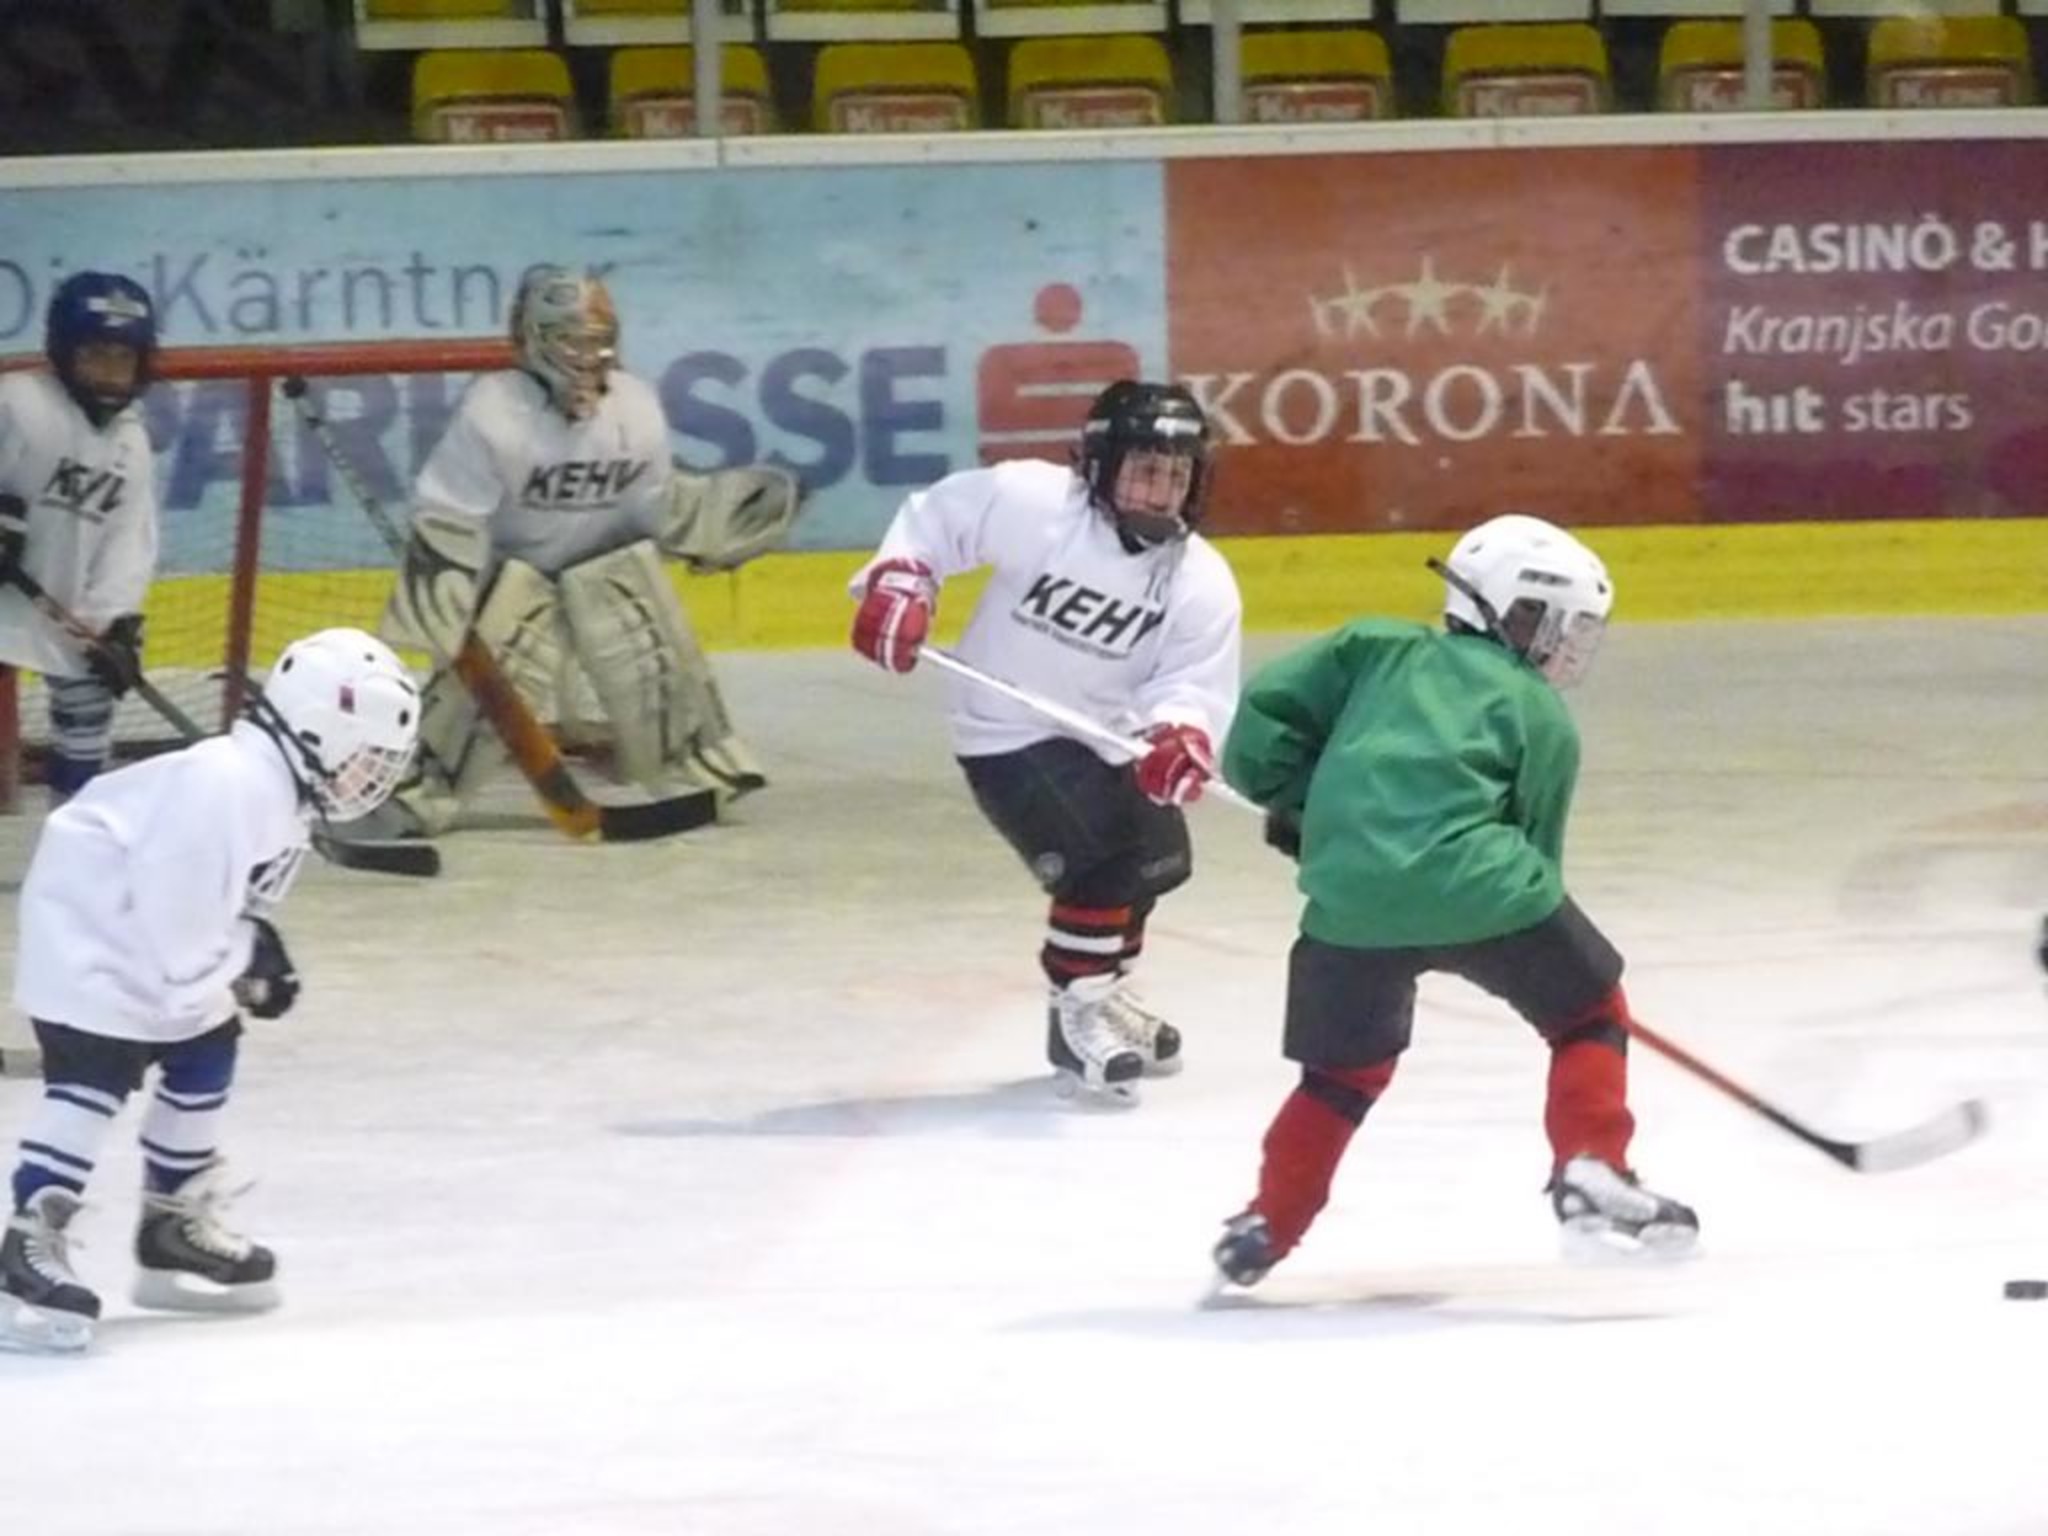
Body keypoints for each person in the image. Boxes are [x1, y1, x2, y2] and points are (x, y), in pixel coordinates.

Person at [1209, 513, 1698, 1286]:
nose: (1565, 645)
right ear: (1515, 610)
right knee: (1588, 1016)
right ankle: (1592, 1166)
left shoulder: (1372, 646)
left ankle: (1267, 1226)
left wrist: (1311, 808)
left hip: (1348, 909)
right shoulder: (1542, 714)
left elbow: (1258, 734)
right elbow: (1537, 853)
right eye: (1557, 624)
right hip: (1489, 893)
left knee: (1339, 1079)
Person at [0, 628, 420, 1353]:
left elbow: (229, 909)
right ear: (319, 730)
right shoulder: (226, 783)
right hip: (91, 942)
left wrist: (252, 947)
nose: (371, 776)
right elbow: (180, 920)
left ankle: (170, 1224)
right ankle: (26, 1239)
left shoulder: (284, 794)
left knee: (206, 1049)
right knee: (93, 1084)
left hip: (145, 944)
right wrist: (246, 957)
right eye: (368, 758)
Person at [849, 380, 1243, 1105]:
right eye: (1145, 470)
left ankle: (1106, 988)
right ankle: (1077, 1015)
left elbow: (1191, 681)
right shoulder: (1038, 505)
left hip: (1104, 733)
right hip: (1006, 727)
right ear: (1099, 465)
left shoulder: (1201, 580)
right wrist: (902, 580)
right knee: (1101, 860)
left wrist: (1180, 734)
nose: (1161, 492)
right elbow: (937, 520)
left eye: (1176, 476)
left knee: (1159, 861)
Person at [381, 264, 796, 835]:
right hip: (510, 583)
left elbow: (651, 508)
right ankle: (423, 788)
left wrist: (707, 519)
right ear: (532, 338)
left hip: (597, 573)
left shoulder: (635, 406)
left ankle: (695, 766)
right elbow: (450, 519)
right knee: (496, 658)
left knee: (633, 596)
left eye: (599, 340)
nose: (587, 356)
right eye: (571, 340)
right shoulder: (492, 411)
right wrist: (444, 616)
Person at [0, 271, 161, 803]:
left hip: (61, 604)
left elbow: (126, 544)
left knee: (89, 706)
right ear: (64, 353)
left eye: (124, 358)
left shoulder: (131, 444)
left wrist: (112, 624)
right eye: (97, 355)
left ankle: (74, 852)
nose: (111, 373)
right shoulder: (19, 404)